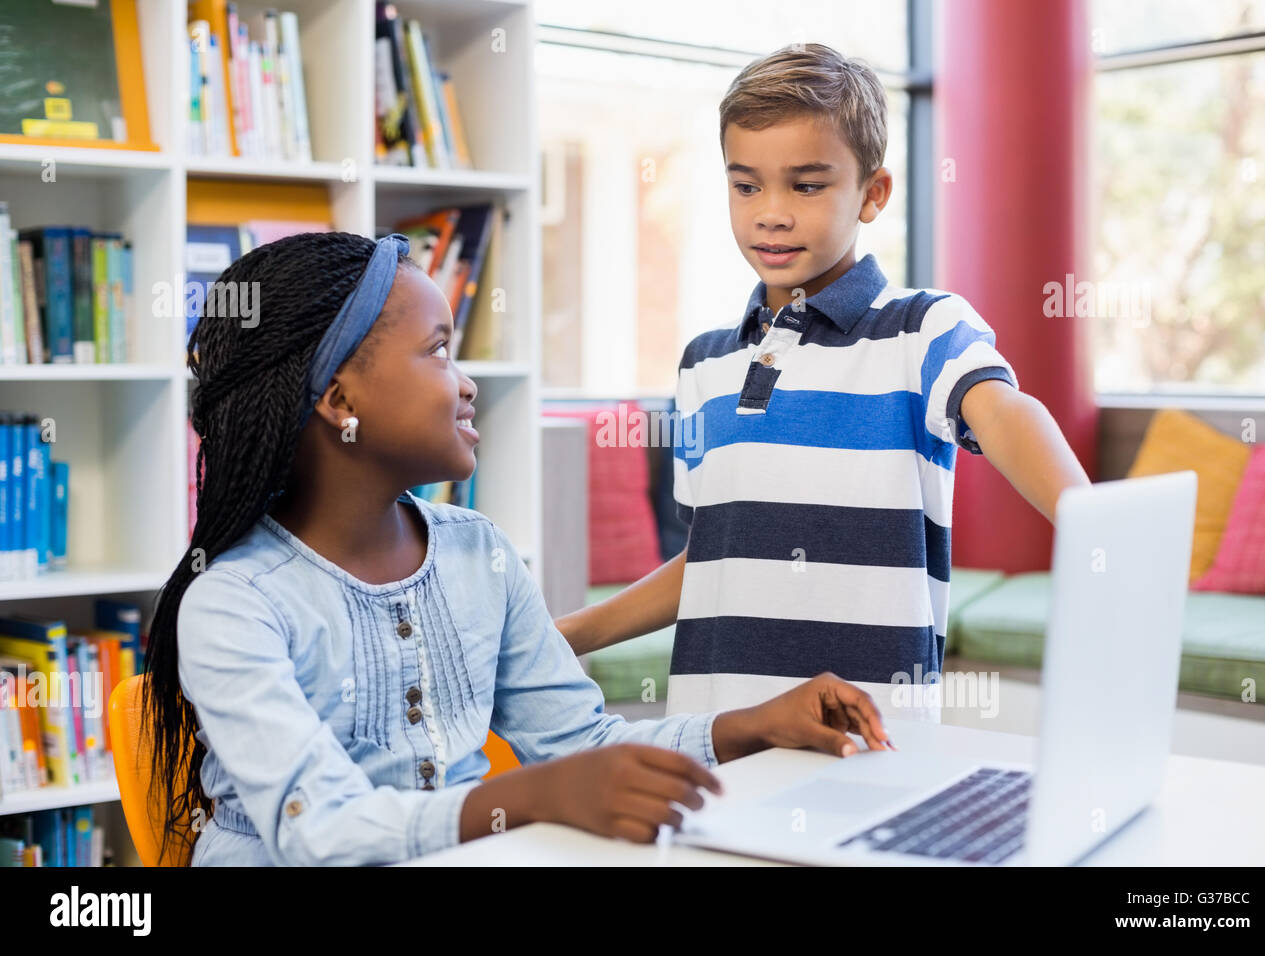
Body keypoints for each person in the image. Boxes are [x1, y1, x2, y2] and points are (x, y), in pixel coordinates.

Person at [142, 230, 894, 867]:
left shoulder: (480, 556)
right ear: (340, 402)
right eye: (438, 352)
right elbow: (321, 831)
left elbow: (581, 742)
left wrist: (750, 725)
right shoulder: (235, 604)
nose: (466, 384)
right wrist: (526, 798)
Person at [554, 43, 1091, 718]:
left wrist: (1090, 524)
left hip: (871, 738)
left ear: (873, 194)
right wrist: (573, 632)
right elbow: (712, 559)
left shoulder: (921, 329)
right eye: (746, 185)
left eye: (806, 185)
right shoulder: (703, 365)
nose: (770, 212)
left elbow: (1004, 413)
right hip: (718, 740)